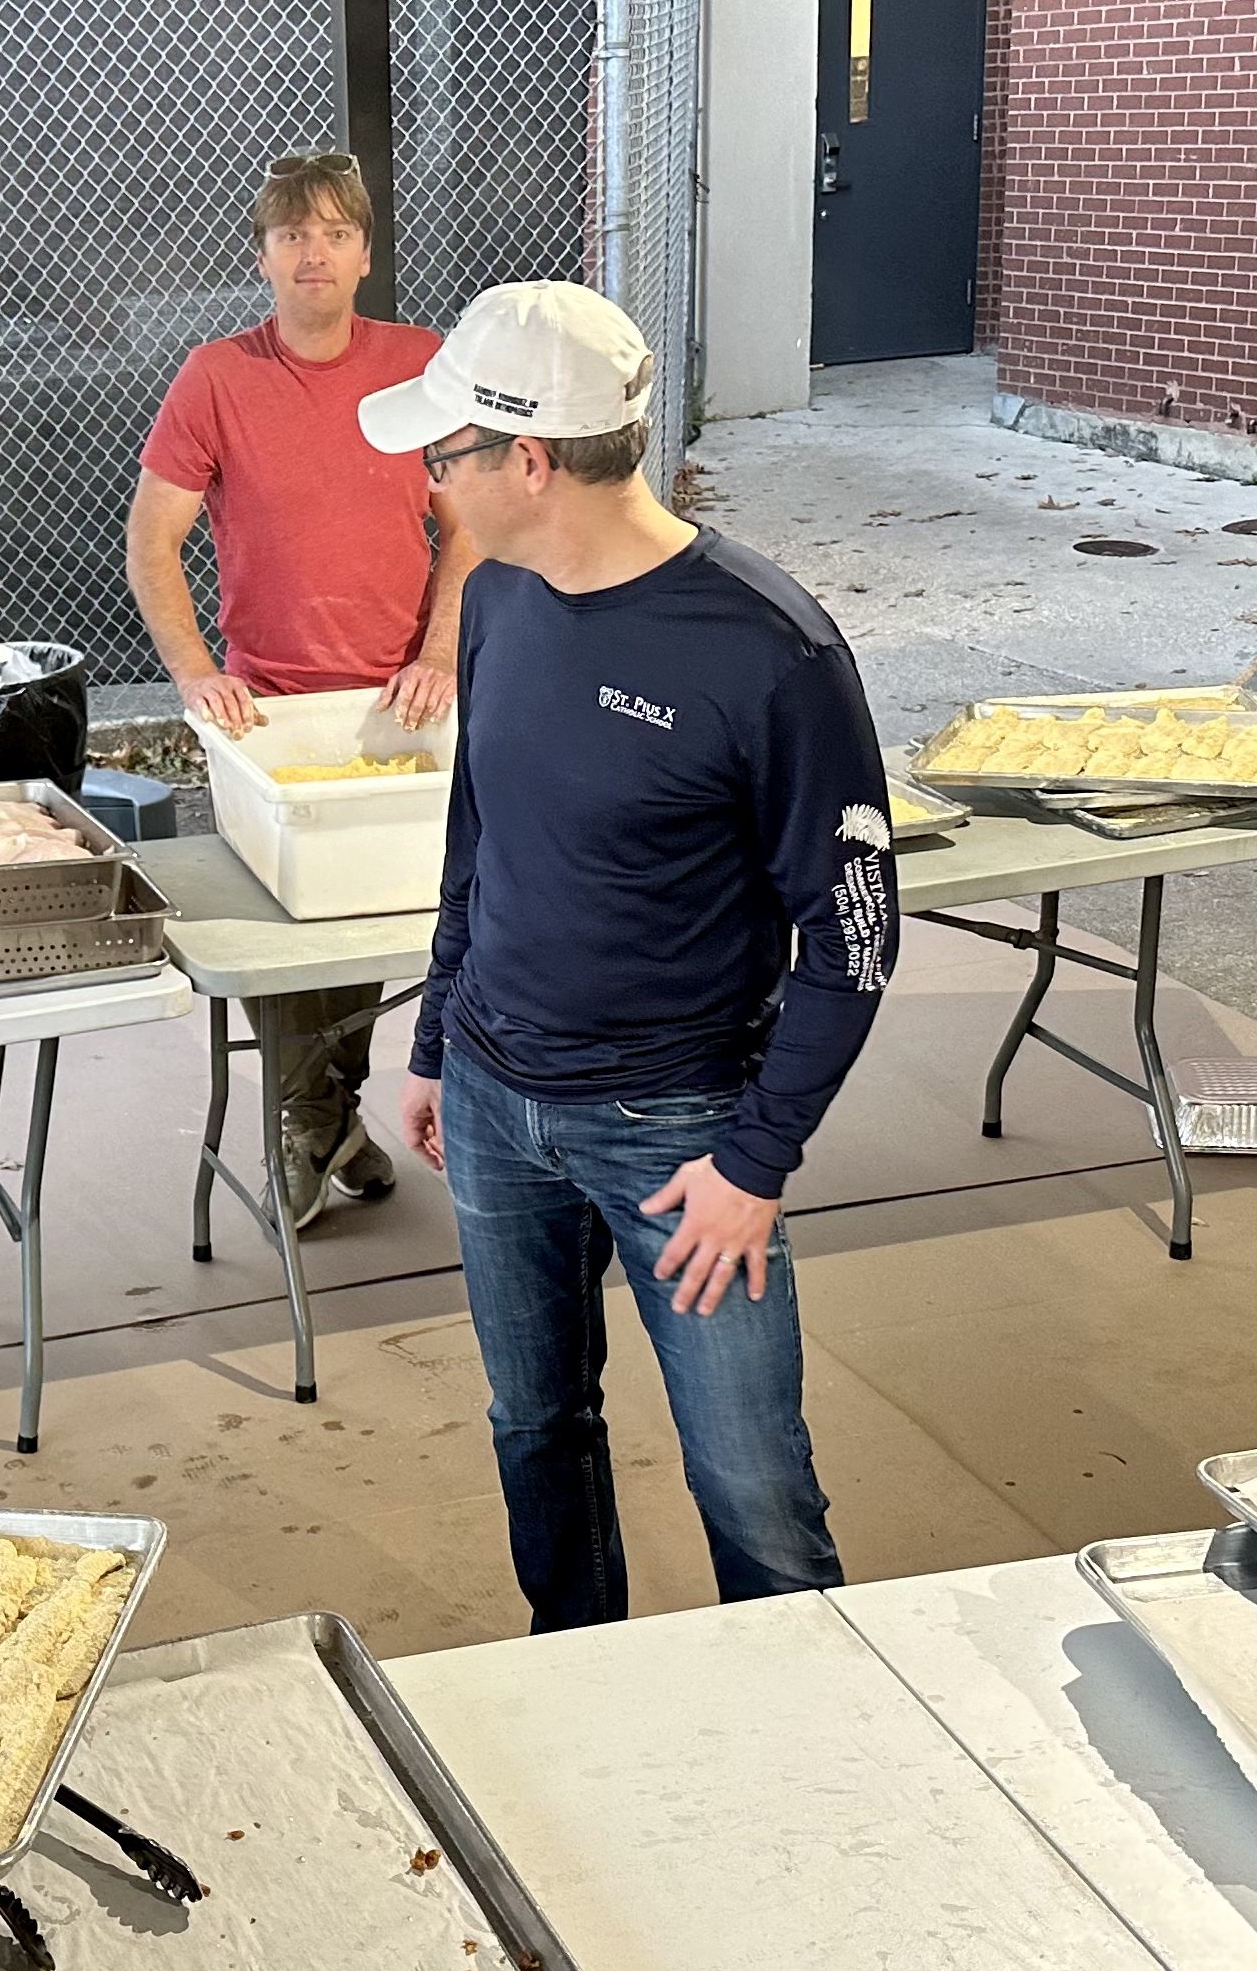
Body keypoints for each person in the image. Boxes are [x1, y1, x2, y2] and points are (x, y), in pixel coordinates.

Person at [365, 283, 899, 1633]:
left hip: (679, 1136)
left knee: (756, 1490)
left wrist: (753, 1165)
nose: (434, 488)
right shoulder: (500, 600)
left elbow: (855, 939)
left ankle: (819, 1740)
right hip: (491, 1102)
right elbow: (476, 831)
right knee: (535, 1425)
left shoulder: (770, 653)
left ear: (528, 461)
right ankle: (572, 1665)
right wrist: (437, 1041)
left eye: (447, 459)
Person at [126, 148, 479, 1226]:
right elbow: (152, 540)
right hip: (272, 710)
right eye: (291, 234)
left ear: (366, 253)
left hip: (400, 704)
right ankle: (307, 1125)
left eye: (332, 232)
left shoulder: (423, 365)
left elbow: (468, 527)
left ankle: (327, 1122)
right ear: (263, 255)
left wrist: (438, 652)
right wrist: (195, 671)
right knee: (295, 937)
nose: (311, 252)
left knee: (378, 926)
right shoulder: (218, 376)